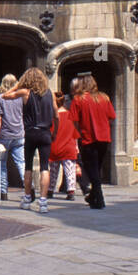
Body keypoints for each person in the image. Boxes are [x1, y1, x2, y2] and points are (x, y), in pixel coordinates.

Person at [3, 68, 55, 214]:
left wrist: (17, 85)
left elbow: (5, 96)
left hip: (31, 132)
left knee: (28, 167)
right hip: (45, 132)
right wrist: (54, 131)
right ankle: (43, 202)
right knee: (45, 167)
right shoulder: (49, 93)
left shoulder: (25, 92)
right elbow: (56, 113)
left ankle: (27, 198)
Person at [69, 74, 115, 209]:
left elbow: (74, 120)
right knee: (97, 168)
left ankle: (99, 199)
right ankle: (93, 197)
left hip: (88, 138)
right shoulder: (104, 97)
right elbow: (112, 116)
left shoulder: (78, 99)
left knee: (91, 169)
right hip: (104, 138)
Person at [0, 74, 25, 202]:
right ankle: (29, 187)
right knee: (21, 164)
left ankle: (3, 192)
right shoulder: (20, 98)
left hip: (4, 136)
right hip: (19, 134)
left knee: (1, 165)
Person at [48, 91, 80, 201]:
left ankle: (50, 190)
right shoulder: (71, 115)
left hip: (55, 146)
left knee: (53, 171)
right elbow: (75, 134)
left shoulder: (52, 117)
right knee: (70, 170)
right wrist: (76, 147)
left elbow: (50, 132)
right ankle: (71, 191)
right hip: (68, 147)